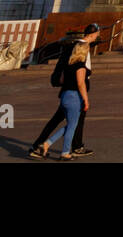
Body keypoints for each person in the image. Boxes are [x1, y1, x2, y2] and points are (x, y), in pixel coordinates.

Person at [28, 23, 100, 160]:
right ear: (93, 34)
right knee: (68, 121)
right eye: (97, 33)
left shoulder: (80, 47)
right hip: (75, 93)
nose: (98, 35)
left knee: (69, 121)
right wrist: (84, 97)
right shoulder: (78, 47)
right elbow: (79, 79)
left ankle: (70, 146)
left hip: (68, 91)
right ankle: (48, 147)